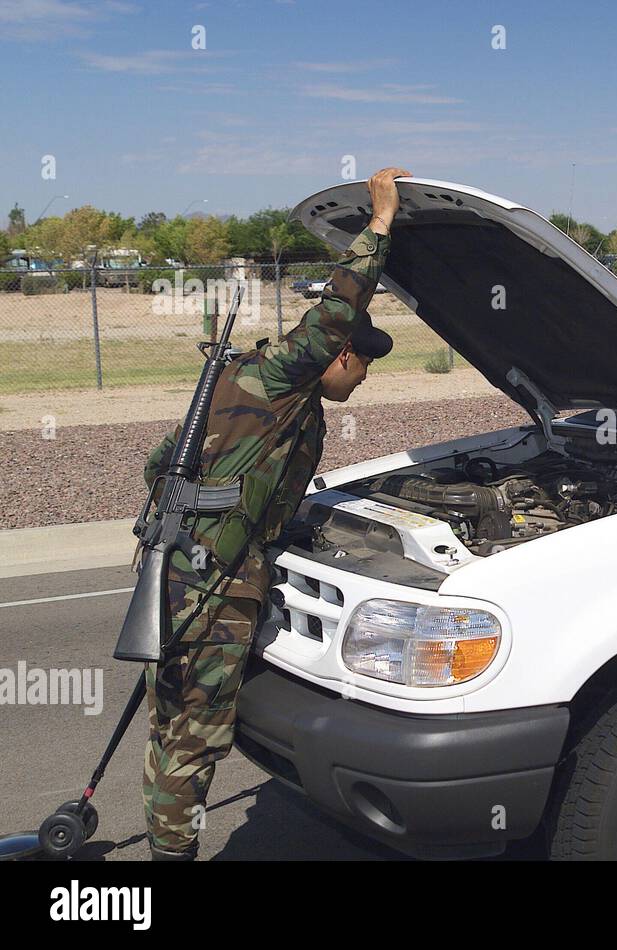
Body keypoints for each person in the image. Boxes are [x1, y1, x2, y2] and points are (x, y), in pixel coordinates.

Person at [138, 166, 409, 860]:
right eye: (359, 361)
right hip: (211, 584)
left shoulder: (252, 387)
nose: (363, 374)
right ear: (336, 353)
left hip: (175, 568)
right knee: (195, 736)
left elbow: (160, 463)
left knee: (170, 727)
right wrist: (379, 224)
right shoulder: (287, 374)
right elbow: (338, 305)